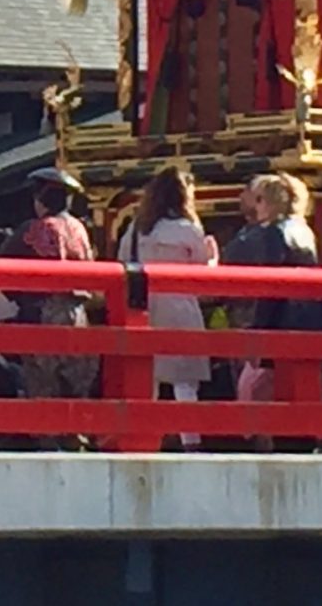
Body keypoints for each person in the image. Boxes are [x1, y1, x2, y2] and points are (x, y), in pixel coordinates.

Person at [117, 167, 217, 445]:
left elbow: (123, 261)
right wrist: (213, 259)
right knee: (184, 380)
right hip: (179, 302)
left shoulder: (137, 229)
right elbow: (201, 271)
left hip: (144, 305)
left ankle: (143, 439)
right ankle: (190, 441)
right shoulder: (188, 230)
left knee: (147, 377)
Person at [219, 172, 322, 411]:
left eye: (260, 200)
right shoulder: (303, 230)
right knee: (300, 388)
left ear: (269, 202)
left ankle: (262, 439)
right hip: (307, 317)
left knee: (256, 389)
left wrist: (259, 329)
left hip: (280, 318)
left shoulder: (273, 233)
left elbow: (272, 283)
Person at [11, 170, 98, 419]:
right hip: (79, 312)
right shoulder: (78, 228)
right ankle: (76, 433)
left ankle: (49, 437)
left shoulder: (39, 227)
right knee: (76, 380)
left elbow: (4, 258)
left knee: (43, 384)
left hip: (45, 310)